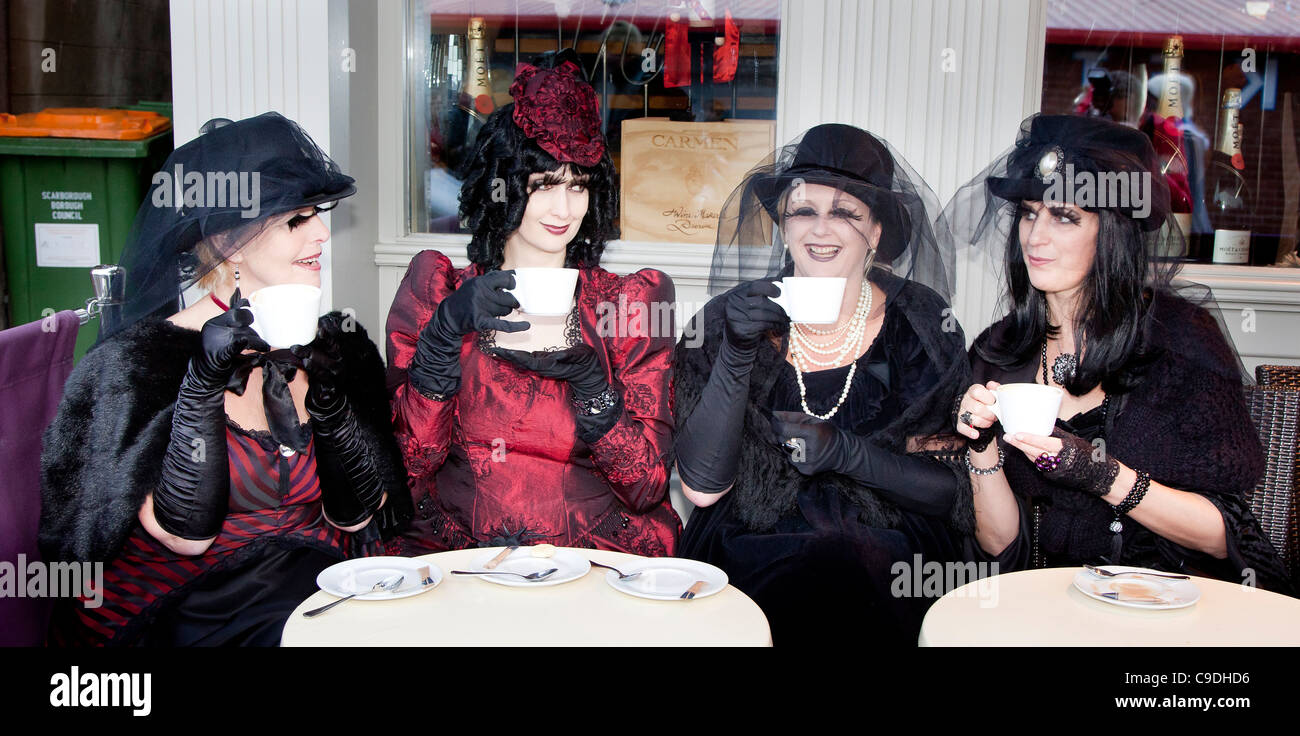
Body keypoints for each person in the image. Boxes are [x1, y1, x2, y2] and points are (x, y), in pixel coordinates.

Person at [39, 112, 411, 646]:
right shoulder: (139, 366)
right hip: (192, 615)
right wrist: (200, 389)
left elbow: (360, 519)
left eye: (319, 215)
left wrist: (330, 408)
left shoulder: (337, 346)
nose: (324, 233)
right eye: (297, 220)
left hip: (316, 598)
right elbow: (185, 537)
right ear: (229, 243)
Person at [951, 114, 1294, 594]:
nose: (1035, 236)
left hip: (1176, 604)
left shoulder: (1182, 342)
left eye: (1064, 216)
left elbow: (1224, 535)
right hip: (1048, 604)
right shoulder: (1000, 350)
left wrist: (1101, 474)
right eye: (1029, 212)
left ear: (1112, 231)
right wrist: (981, 447)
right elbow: (999, 545)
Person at [673, 123, 974, 644]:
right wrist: (739, 351)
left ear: (876, 232)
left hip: (886, 550)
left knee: (842, 557)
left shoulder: (920, 324)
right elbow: (701, 488)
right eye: (803, 211)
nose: (819, 230)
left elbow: (948, 492)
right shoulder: (729, 318)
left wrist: (846, 454)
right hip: (748, 540)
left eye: (845, 213)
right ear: (783, 226)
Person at [385, 50, 680, 555]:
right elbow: (412, 462)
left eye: (579, 187)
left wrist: (595, 391)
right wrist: (444, 333)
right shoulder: (439, 288)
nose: (565, 209)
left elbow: (647, 486)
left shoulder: (629, 304)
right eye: (544, 186)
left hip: (593, 553)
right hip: (459, 551)